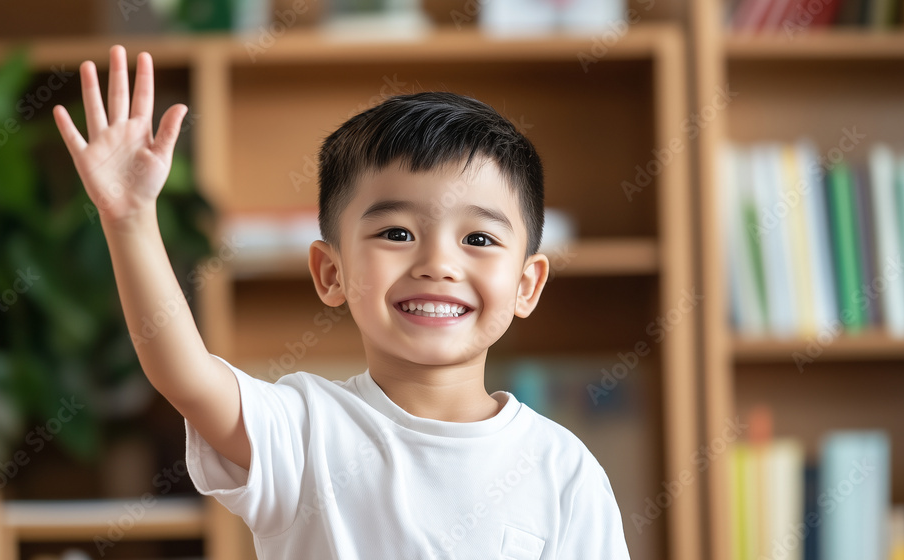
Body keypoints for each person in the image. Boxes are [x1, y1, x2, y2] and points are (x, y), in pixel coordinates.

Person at [54, 44, 631, 560]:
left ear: (527, 284)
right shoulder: (304, 429)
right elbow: (183, 373)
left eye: (477, 239)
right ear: (330, 272)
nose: (437, 263)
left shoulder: (564, 469)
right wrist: (129, 221)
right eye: (396, 233)